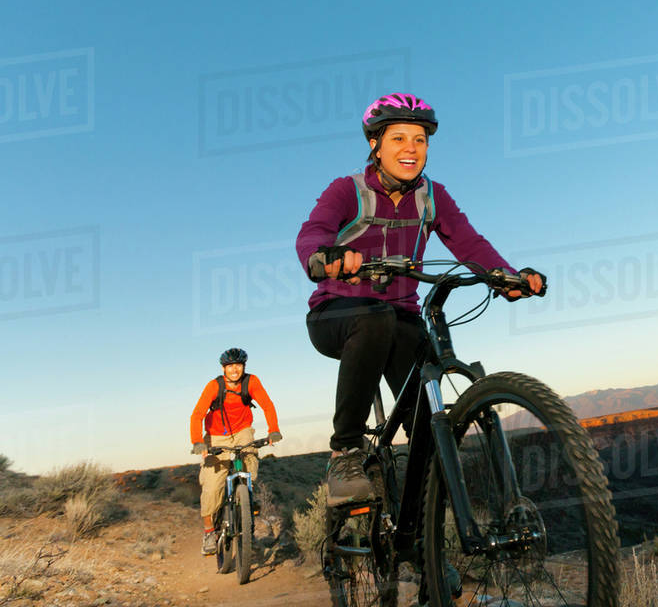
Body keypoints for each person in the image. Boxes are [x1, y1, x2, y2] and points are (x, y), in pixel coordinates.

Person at [295, 93, 543, 505]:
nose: (411, 148)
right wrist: (326, 258)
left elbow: (468, 241)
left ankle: (420, 531)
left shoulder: (432, 195)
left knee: (425, 412)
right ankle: (345, 453)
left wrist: (506, 277)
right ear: (375, 144)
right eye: (398, 138)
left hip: (401, 317)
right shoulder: (347, 190)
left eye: (420, 139)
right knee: (374, 318)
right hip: (336, 313)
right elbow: (313, 231)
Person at [189, 347, 282, 556]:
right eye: (230, 366)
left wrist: (273, 430)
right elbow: (196, 415)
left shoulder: (251, 382)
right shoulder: (214, 386)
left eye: (238, 365)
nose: (234, 370)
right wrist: (198, 443)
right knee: (212, 487)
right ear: (224, 368)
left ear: (243, 367)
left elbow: (267, 405)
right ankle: (209, 531)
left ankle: (245, 503)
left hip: (242, 430)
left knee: (250, 463)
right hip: (216, 435)